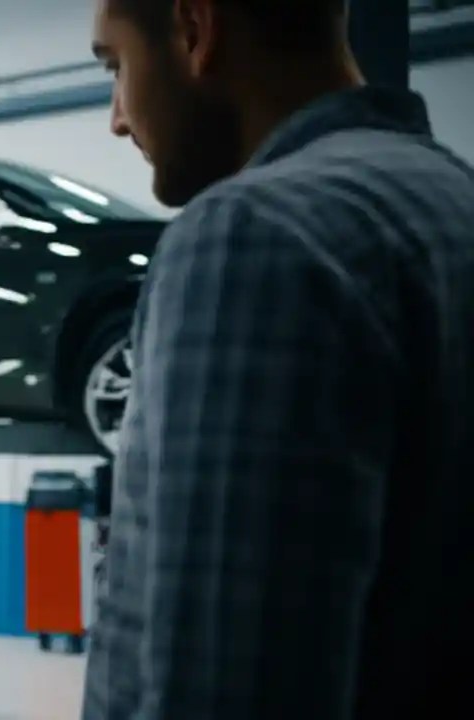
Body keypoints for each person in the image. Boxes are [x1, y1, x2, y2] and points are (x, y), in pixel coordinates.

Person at [85, 1, 473, 718]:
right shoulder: (449, 200)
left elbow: (227, 689)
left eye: (117, 66)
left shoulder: (254, 232)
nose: (116, 117)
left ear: (195, 29)